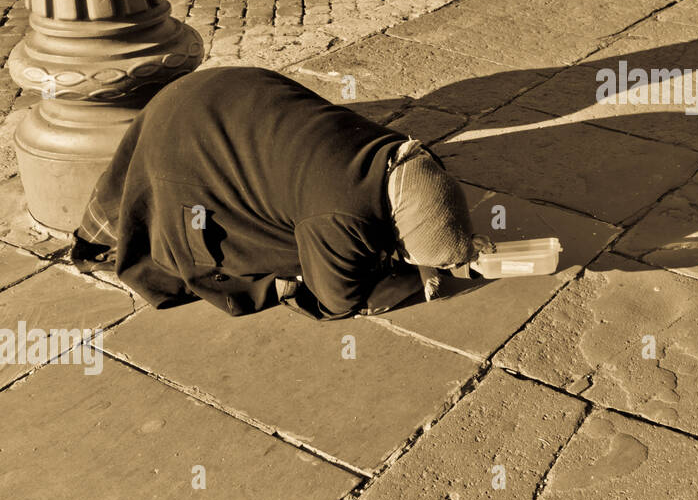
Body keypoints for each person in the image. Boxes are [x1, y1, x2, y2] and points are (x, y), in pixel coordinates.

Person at [71, 68, 480, 321]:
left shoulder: (403, 153)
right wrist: (412, 275)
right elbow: (338, 299)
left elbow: (429, 194)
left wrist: (446, 241)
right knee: (277, 262)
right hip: (179, 153)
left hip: (216, 89)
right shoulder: (339, 216)